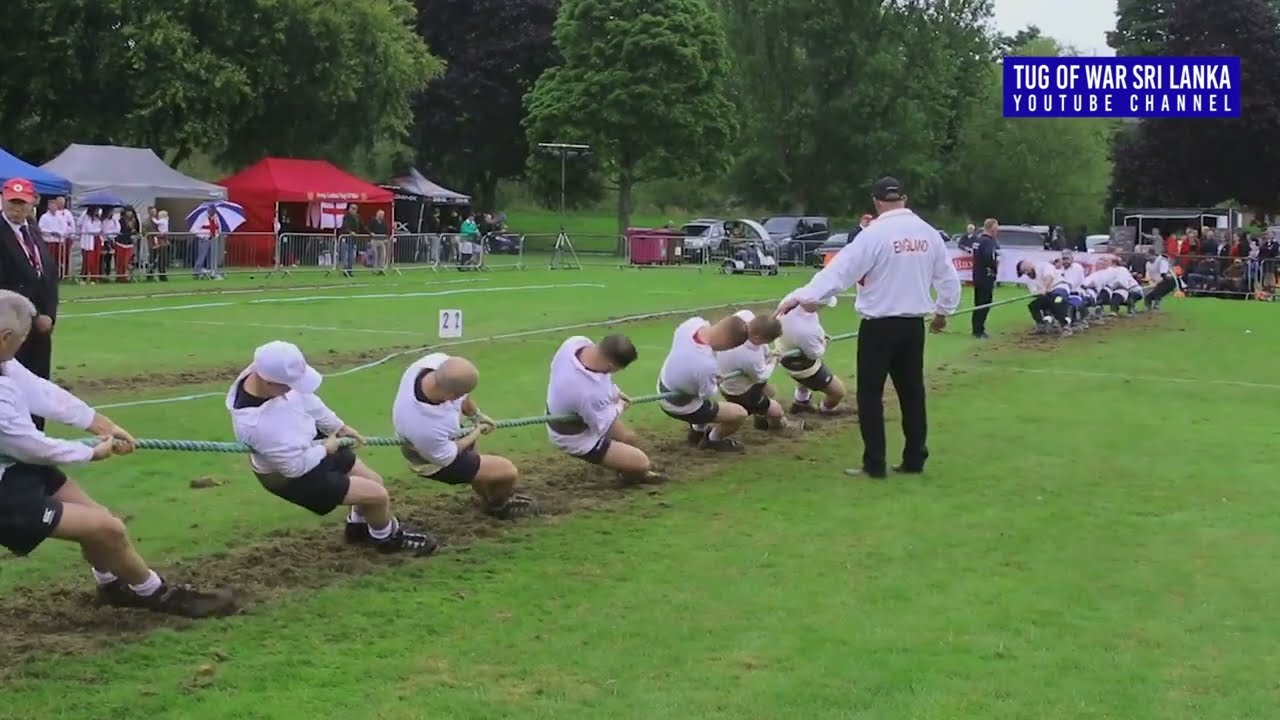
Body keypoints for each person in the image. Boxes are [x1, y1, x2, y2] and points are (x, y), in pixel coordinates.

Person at [0, 290, 235, 616]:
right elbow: (29, 445)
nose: (23, 346)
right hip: (6, 489)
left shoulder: (5, 364)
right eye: (22, 339)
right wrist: (91, 454)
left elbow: (41, 391)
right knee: (108, 529)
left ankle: (112, 586)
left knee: (102, 524)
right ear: (5, 337)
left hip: (17, 467)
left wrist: (102, 425)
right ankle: (158, 594)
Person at [777, 176, 960, 478]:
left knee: (871, 394)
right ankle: (915, 458)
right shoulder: (928, 233)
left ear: (876, 202)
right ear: (905, 198)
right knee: (912, 392)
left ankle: (874, 463)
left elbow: (838, 273)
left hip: (879, 325)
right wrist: (943, 311)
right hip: (913, 325)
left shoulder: (873, 235)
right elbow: (948, 278)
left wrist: (801, 297)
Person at [227, 341, 438, 554]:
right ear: (268, 383)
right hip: (291, 473)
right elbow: (294, 467)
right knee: (377, 496)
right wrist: (326, 449)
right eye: (289, 385)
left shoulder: (267, 374)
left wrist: (339, 427)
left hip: (311, 441)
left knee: (373, 482)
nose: (293, 388)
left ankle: (358, 527)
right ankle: (387, 539)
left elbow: (307, 399)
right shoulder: (256, 425)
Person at [393, 353, 537, 519]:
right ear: (451, 395)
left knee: (482, 467)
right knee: (506, 471)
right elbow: (449, 456)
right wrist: (476, 431)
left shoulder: (435, 363)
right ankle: (498, 506)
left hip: (444, 438)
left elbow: (463, 396)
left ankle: (486, 495)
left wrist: (477, 415)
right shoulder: (424, 426)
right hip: (433, 461)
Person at [545, 334, 667, 484]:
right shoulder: (587, 393)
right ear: (611, 366)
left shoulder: (575, 343)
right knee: (642, 465)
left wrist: (614, 392)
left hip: (577, 412)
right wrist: (620, 406)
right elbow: (602, 425)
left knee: (628, 438)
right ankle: (628, 476)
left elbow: (600, 380)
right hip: (575, 436)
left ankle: (624, 463)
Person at [0, 179, 59, 431]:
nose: (17, 208)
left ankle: (36, 451)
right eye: (12, 202)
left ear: (32, 202)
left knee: (38, 389)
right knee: (12, 392)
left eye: (22, 202)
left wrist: (49, 315)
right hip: (9, 327)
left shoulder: (32, 230)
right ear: (3, 199)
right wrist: (33, 316)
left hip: (39, 331)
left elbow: (47, 276)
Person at [656, 314, 750, 452]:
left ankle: (696, 431)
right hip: (680, 406)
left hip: (662, 387)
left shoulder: (692, 324)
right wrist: (714, 382)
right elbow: (707, 394)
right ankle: (713, 440)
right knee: (740, 414)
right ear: (728, 343)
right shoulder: (706, 364)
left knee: (701, 395)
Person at [715, 310, 802, 433]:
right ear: (757, 337)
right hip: (739, 391)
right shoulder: (749, 356)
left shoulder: (745, 318)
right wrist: (774, 361)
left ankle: (761, 417)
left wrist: (768, 353)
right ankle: (782, 426)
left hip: (738, 381)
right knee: (776, 410)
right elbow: (761, 377)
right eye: (765, 341)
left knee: (770, 392)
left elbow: (760, 346)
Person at [776, 294, 848, 415]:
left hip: (784, 351)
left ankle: (801, 402)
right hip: (801, 364)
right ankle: (826, 409)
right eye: (822, 305)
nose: (823, 308)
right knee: (838, 392)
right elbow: (815, 354)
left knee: (804, 380)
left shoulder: (790, 301)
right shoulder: (805, 331)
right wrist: (825, 343)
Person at [1017, 258, 1072, 335]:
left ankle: (1066, 326)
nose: (1026, 273)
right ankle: (1041, 326)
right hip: (1048, 294)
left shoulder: (1043, 266)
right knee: (1033, 305)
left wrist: (1044, 288)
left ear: (1030, 265)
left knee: (1057, 301)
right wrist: (1037, 294)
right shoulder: (1030, 280)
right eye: (1024, 273)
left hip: (1059, 288)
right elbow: (1035, 293)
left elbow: (1049, 277)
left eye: (1026, 270)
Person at [970, 218, 999, 339]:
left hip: (977, 275)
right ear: (992, 228)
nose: (998, 231)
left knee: (978, 303)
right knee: (984, 303)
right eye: (997, 228)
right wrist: (994, 266)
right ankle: (979, 330)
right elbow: (989, 257)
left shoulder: (978, 240)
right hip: (986, 276)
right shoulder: (988, 242)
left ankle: (976, 328)